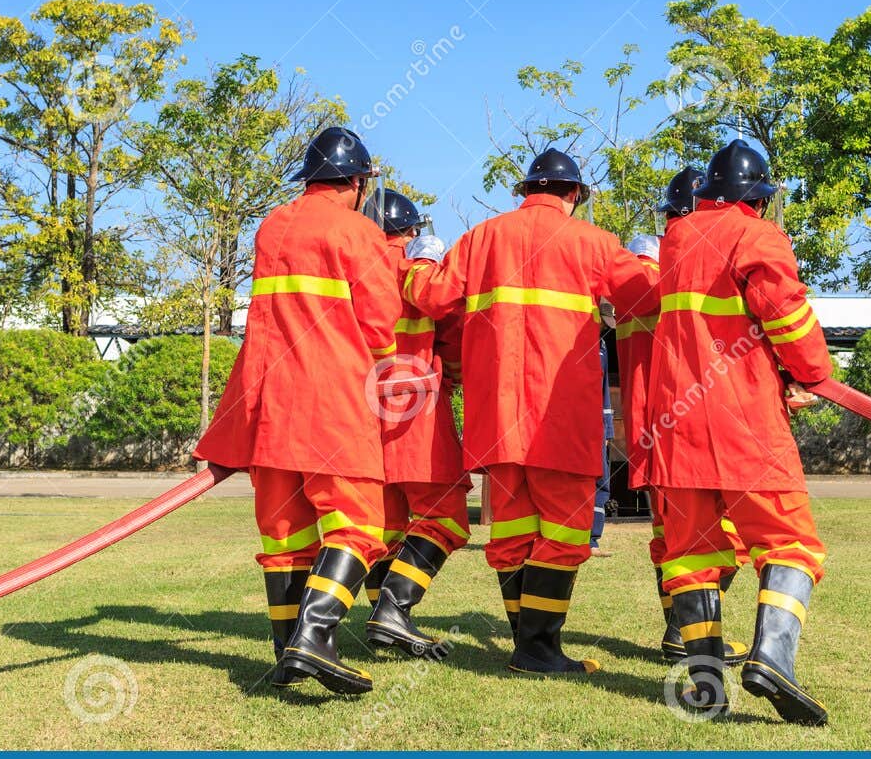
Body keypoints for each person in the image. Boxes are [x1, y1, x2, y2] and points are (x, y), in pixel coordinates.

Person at [402, 149, 657, 676]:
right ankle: (537, 648)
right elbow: (645, 297)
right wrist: (650, 258)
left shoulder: (480, 238)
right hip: (559, 415)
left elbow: (427, 298)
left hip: (496, 415)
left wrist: (422, 258)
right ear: (575, 196)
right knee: (564, 531)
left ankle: (526, 642)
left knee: (514, 529)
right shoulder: (592, 242)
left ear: (525, 191)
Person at [195, 126, 400, 697]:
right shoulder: (359, 232)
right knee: (358, 525)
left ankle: (289, 656)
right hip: (331, 398)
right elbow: (381, 326)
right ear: (357, 183)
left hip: (266, 402)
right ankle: (316, 635)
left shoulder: (273, 226)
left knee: (286, 535)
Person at [648, 139, 833, 725]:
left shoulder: (677, 240)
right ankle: (773, 657)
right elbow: (784, 311)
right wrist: (812, 374)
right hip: (745, 423)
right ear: (757, 198)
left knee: (690, 557)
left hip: (675, 430)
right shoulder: (757, 235)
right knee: (791, 544)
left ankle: (705, 685)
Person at [618, 167, 748, 667]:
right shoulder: (666, 260)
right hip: (688, 417)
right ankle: (682, 631)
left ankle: (681, 631)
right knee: (725, 532)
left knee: (673, 534)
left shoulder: (649, 262)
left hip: (656, 417)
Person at [362, 189, 469, 659]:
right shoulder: (414, 268)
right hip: (417, 407)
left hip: (361, 409)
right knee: (443, 518)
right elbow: (453, 331)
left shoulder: (352, 268)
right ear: (409, 232)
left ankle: (381, 618)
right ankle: (393, 611)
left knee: (383, 524)